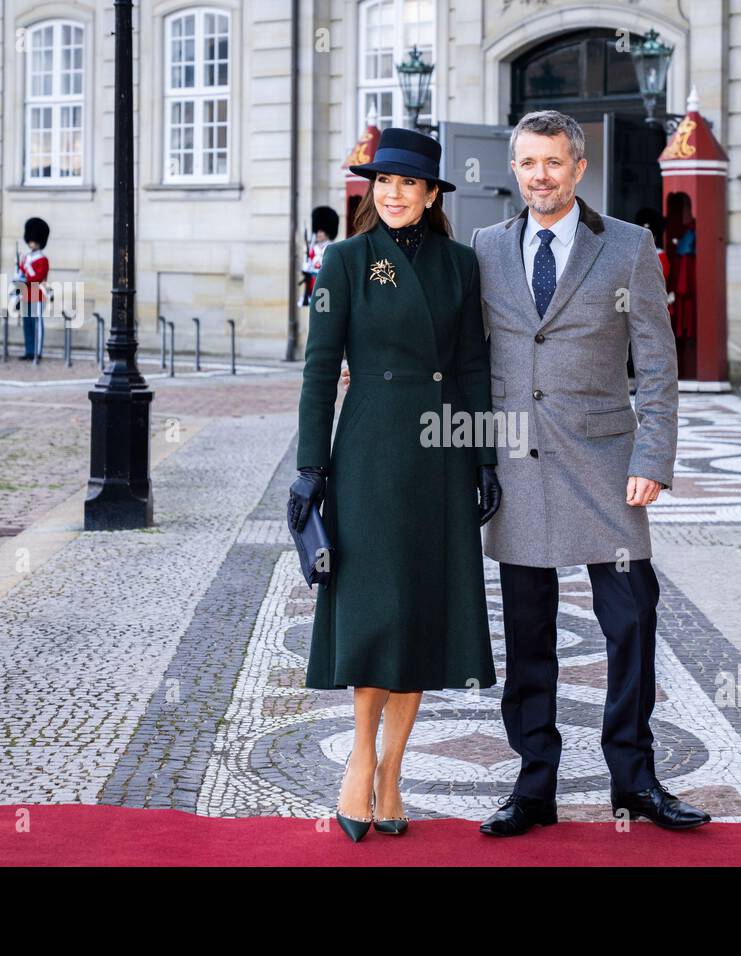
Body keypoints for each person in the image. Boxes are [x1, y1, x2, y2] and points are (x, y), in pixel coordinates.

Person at [341, 112, 712, 837]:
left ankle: (634, 780)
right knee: (530, 634)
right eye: (528, 163)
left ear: (578, 168)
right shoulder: (485, 247)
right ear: (512, 170)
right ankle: (533, 783)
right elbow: (455, 343)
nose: (540, 175)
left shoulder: (630, 248)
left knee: (630, 622)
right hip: (515, 462)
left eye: (554, 162)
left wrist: (653, 459)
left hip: (608, 466)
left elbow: (659, 365)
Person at [288, 126, 502, 842]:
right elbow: (320, 370)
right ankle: (359, 757)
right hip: (372, 451)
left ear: (433, 193)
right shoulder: (345, 262)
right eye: (384, 182)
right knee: (376, 608)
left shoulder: (460, 264)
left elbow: (473, 365)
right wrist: (310, 466)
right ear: (371, 190)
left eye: (409, 183)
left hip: (440, 454)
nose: (395, 194)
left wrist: (483, 459)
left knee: (420, 610)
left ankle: (392, 772)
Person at [17, 217, 50, 362]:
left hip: (37, 293)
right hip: (26, 293)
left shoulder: (42, 259)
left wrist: (26, 270)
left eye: (34, 240)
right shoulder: (26, 258)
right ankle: (29, 350)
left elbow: (37, 277)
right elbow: (21, 274)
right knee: (27, 324)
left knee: (36, 323)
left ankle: (37, 351)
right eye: (30, 240)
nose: (32, 243)